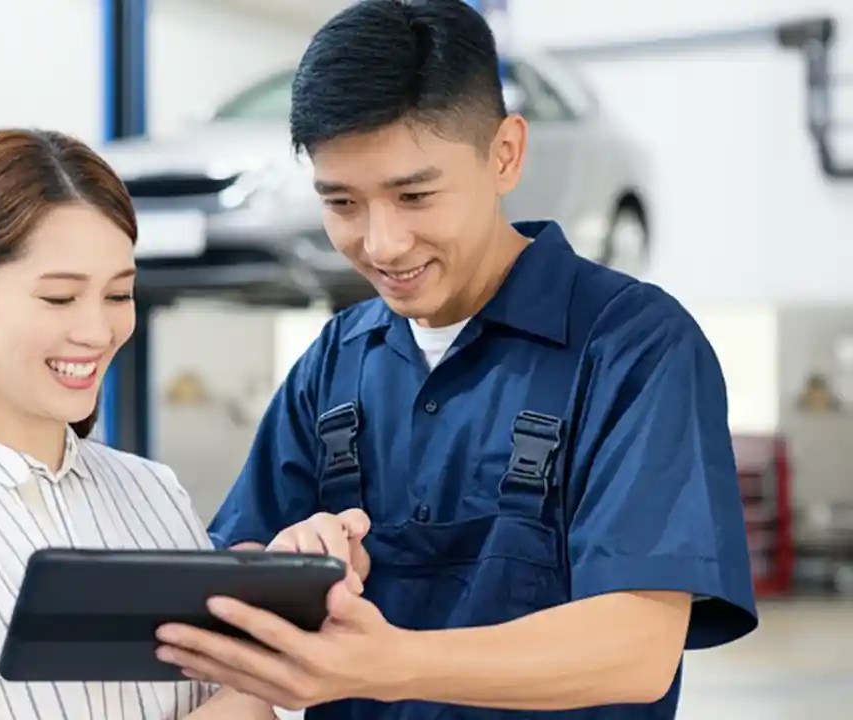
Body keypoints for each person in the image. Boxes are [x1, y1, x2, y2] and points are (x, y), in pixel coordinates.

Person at [152, 1, 759, 719]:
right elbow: (235, 615)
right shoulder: (336, 365)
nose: (382, 244)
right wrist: (284, 564)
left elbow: (637, 647)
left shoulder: (632, 347)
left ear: (505, 154)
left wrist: (389, 665)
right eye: (342, 202)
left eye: (415, 195)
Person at [0, 128, 275, 720]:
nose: (97, 332)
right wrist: (257, 687)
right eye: (59, 299)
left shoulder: (153, 493)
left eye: (119, 295)